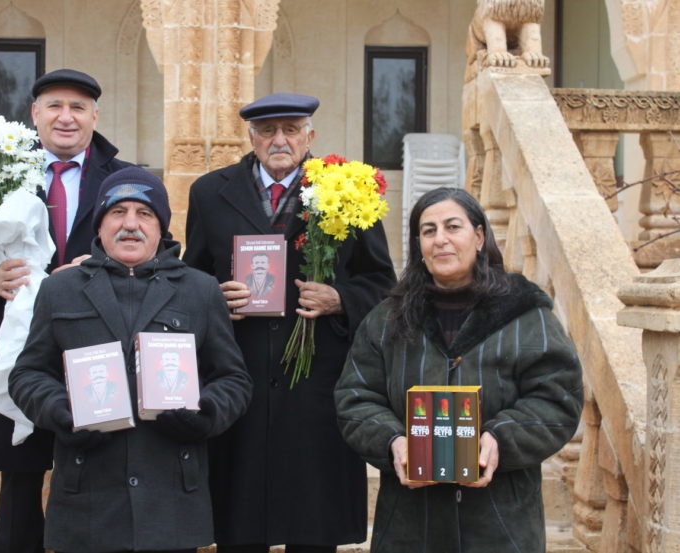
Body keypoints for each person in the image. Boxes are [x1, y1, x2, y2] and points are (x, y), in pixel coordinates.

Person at [183, 92, 396, 553]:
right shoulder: (209, 192)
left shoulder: (347, 189)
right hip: (238, 373)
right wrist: (213, 300)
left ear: (310, 135)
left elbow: (382, 282)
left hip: (316, 377)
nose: (279, 140)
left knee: (312, 519)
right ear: (251, 136)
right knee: (237, 518)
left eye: (291, 129)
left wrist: (341, 298)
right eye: (267, 130)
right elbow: (191, 275)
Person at [9, 166, 252, 553]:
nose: (131, 225)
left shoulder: (200, 291)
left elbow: (233, 379)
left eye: (145, 214)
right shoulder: (61, 290)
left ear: (161, 227)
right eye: (117, 212)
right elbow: (28, 373)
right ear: (100, 225)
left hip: (171, 494)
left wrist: (205, 412)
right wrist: (61, 411)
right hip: (86, 493)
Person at [334, 187, 584, 553]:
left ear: (479, 236)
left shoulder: (526, 314)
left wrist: (499, 439)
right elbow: (355, 397)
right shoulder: (388, 318)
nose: (441, 240)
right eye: (429, 230)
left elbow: (557, 398)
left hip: (500, 522)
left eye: (453, 227)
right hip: (409, 522)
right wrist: (394, 442)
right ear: (418, 243)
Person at [0, 68, 133, 553]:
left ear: (95, 115)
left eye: (77, 107)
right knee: (20, 485)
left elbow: (158, 252)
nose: (65, 117)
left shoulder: (124, 179)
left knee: (97, 474)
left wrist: (109, 268)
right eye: (54, 106)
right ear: (34, 114)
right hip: (19, 348)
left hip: (97, 348)